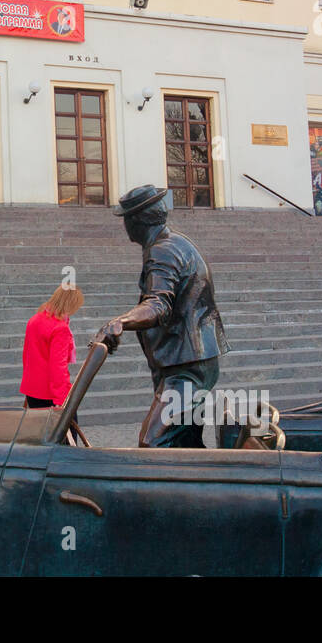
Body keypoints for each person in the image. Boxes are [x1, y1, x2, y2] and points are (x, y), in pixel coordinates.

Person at [102, 185, 229, 447]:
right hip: (190, 359)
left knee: (153, 443)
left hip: (187, 367)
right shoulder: (176, 243)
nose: (124, 225)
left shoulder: (163, 250)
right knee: (185, 443)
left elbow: (158, 305)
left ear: (136, 221)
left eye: (125, 219)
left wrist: (121, 322)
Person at [20, 285, 84, 408]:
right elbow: (58, 366)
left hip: (32, 387)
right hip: (48, 393)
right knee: (69, 426)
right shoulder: (60, 328)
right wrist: (61, 398)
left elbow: (28, 355)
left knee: (38, 427)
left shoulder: (35, 319)